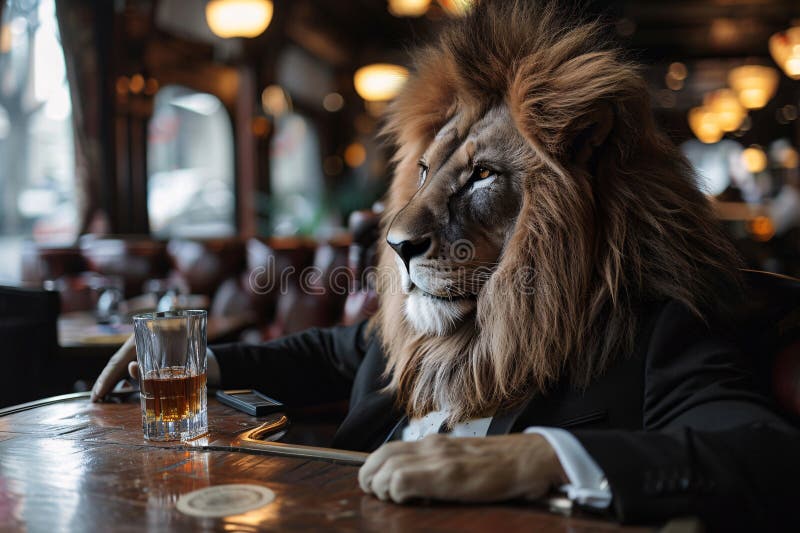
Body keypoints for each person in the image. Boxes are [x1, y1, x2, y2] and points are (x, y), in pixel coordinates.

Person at [93, 1, 799, 530]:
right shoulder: (421, 330)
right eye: (430, 174)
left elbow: (769, 457)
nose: (404, 230)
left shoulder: (657, 333)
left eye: (483, 177)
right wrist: (201, 363)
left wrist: (539, 458)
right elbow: (332, 352)